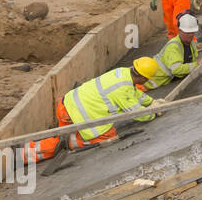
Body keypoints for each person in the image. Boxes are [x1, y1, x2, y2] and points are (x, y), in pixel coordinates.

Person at [21, 67, 157, 163]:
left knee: (62, 137)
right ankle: (24, 154)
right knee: (103, 136)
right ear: (143, 77)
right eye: (147, 79)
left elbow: (134, 94)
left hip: (67, 104)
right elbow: (140, 115)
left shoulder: (122, 73)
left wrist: (152, 102)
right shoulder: (122, 89)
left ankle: (36, 147)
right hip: (75, 113)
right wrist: (153, 113)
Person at [132, 14, 201, 89]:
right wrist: (197, 64)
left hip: (156, 83)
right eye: (188, 33)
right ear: (179, 31)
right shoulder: (173, 46)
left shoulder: (192, 44)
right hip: (142, 84)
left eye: (192, 32)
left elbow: (192, 60)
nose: (191, 35)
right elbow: (176, 70)